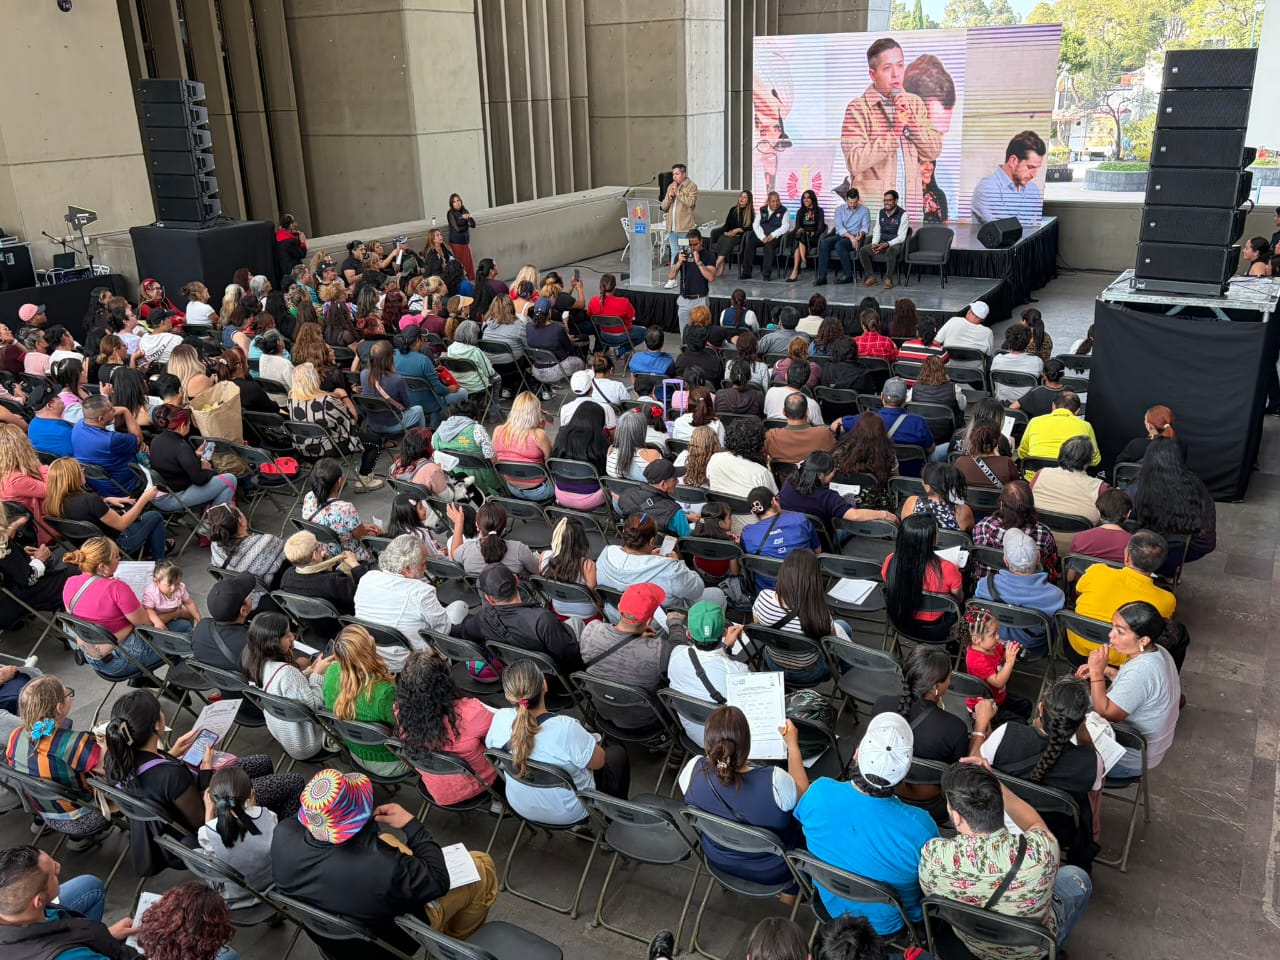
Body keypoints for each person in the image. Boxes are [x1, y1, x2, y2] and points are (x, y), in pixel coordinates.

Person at [271, 768, 497, 959]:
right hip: (389, 941)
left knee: (387, 841)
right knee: (482, 866)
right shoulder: (382, 866)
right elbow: (439, 880)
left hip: (332, 936)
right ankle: (452, 945)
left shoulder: (282, 833)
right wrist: (412, 825)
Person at [103, 690, 303, 877]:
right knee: (293, 782)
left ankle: (259, 830)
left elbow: (150, 780)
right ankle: (285, 848)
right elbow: (201, 818)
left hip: (173, 814)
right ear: (156, 725)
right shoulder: (170, 776)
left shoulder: (115, 762)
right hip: (205, 816)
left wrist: (172, 754)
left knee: (262, 763)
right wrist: (206, 768)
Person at [919, 760, 1093, 958]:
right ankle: (1055, 950)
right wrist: (995, 781)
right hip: (1031, 949)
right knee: (1078, 877)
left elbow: (933, 895)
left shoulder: (933, 856)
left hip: (971, 942)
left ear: (957, 817)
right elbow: (1034, 822)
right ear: (999, 804)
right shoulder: (1041, 851)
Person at [794, 713, 939, 936]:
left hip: (833, 909)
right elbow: (931, 885)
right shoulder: (921, 827)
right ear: (905, 774)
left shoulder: (818, 793)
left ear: (857, 754)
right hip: (890, 925)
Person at [974, 676, 1104, 869]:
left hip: (995, 822)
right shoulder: (1091, 763)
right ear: (1080, 722)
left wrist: (980, 726)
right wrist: (1080, 726)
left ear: (1041, 708)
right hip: (1049, 837)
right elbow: (1094, 781)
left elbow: (975, 764)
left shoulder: (1007, 733)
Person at [485, 658, 631, 822]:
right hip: (568, 812)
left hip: (521, 804)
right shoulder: (566, 728)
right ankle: (617, 821)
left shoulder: (500, 719)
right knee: (617, 754)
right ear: (544, 685)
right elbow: (598, 762)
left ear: (508, 695)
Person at [680, 705, 808, 889]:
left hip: (718, 858)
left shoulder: (692, 771)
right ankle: (791, 894)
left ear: (708, 744)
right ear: (748, 745)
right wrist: (793, 746)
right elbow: (804, 798)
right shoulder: (775, 782)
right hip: (775, 869)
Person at [4, 676, 115, 849]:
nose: (70, 695)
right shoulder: (75, 744)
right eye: (68, 693)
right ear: (59, 707)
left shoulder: (16, 736)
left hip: (47, 814)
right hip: (84, 818)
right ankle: (81, 838)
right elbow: (111, 769)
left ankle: (76, 840)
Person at [840, 37, 942, 221]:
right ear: (873, 74)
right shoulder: (857, 108)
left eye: (900, 65)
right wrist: (894, 132)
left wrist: (910, 122)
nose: (896, 74)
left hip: (910, 211)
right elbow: (854, 161)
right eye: (887, 68)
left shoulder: (914, 103)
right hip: (872, 213)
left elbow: (934, 149)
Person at [1075, 601, 1182, 778]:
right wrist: (1107, 671)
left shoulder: (1142, 671)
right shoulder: (1158, 651)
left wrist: (1096, 673)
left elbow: (1107, 712)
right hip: (1148, 751)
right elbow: (1137, 691)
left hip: (1127, 759)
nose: (1111, 636)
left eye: (1120, 632)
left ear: (1143, 640)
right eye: (1113, 627)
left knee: (1059, 726)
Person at [395, 651, 499, 804]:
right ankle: (498, 802)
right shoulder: (471, 713)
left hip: (437, 788)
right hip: (479, 784)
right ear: (445, 682)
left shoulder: (400, 710)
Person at [0, 846, 140, 957]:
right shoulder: (67, 956)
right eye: (53, 873)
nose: (58, 866)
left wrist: (107, 936)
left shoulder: (15, 910)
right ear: (39, 900)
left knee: (90, 886)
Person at [353, 535, 468, 665]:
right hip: (414, 661)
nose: (425, 568)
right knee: (460, 606)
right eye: (423, 564)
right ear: (407, 568)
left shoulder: (367, 579)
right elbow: (443, 629)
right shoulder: (421, 591)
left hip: (374, 656)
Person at [1070, 529, 1175, 666]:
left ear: (1126, 556)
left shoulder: (1097, 571)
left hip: (1078, 647)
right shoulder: (1167, 600)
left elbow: (1078, 591)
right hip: (1124, 660)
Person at [578, 583, 673, 732]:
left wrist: (635, 638)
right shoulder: (659, 651)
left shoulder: (591, 630)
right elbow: (680, 654)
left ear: (620, 608)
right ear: (649, 621)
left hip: (603, 710)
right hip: (645, 721)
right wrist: (675, 625)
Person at [240, 610, 334, 761]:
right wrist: (318, 674)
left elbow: (290, 691)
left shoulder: (254, 662)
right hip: (311, 743)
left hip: (286, 738)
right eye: (286, 635)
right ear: (272, 642)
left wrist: (311, 670)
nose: (293, 637)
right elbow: (316, 704)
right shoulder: (287, 673)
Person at [458, 563, 584, 675]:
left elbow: (466, 634)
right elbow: (571, 661)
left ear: (490, 599)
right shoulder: (542, 620)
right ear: (517, 580)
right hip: (556, 682)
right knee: (577, 623)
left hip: (521, 678)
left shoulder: (483, 619)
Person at [322, 624, 408, 776]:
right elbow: (402, 730)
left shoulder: (330, 672)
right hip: (389, 761)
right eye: (367, 637)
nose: (373, 638)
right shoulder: (384, 693)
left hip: (354, 752)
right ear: (365, 653)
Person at [751, 548, 848, 683]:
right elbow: (831, 646)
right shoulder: (820, 614)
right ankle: (849, 679)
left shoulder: (763, 598)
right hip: (809, 673)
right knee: (844, 627)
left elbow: (757, 626)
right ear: (814, 579)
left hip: (773, 664)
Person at [288, 362, 385, 492]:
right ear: (313, 379)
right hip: (328, 447)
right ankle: (365, 479)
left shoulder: (291, 397)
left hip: (304, 448)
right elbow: (352, 419)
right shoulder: (326, 401)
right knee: (375, 441)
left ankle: (331, 479)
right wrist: (344, 396)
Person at [873, 646, 971, 770]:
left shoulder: (881, 705)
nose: (949, 680)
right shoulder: (956, 729)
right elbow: (958, 771)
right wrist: (980, 731)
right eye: (949, 676)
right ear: (936, 687)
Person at [973, 528, 1065, 656]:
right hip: (1032, 647)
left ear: (1006, 561)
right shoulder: (1056, 596)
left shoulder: (984, 585)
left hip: (993, 640)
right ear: (1038, 558)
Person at [667, 602, 751, 743]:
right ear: (724, 633)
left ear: (688, 634)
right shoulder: (738, 671)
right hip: (727, 743)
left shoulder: (676, 654)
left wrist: (725, 647)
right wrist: (725, 648)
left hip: (694, 736)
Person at [197, 765, 276, 910]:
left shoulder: (207, 832)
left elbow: (213, 856)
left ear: (212, 799)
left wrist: (209, 811)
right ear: (252, 794)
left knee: (198, 853)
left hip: (234, 895)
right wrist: (252, 807)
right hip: (272, 885)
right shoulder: (269, 816)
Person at [1129, 437, 1216, 568]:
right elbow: (1207, 521)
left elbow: (1126, 518)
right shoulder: (1195, 483)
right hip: (1185, 549)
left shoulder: (1138, 487)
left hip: (1147, 551)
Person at [597, 513, 707, 608]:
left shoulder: (606, 554)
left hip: (616, 614)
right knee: (717, 594)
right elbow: (697, 590)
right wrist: (678, 564)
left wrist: (648, 556)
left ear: (625, 532)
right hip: (657, 623)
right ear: (651, 542)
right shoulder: (672, 570)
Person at [883, 514, 962, 643]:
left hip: (901, 622)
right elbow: (958, 599)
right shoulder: (948, 568)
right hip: (936, 629)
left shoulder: (891, 561)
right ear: (930, 540)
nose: (938, 533)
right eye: (936, 532)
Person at [833, 378, 934, 473]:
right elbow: (931, 449)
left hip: (878, 471)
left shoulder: (866, 420)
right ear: (906, 399)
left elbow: (834, 426)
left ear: (882, 396)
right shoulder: (918, 423)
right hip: (914, 474)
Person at [148, 404, 238, 510]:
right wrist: (207, 470)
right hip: (172, 497)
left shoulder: (156, 441)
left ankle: (212, 514)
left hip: (159, 493)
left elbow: (172, 461)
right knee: (230, 479)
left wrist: (193, 455)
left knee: (220, 482)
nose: (189, 427)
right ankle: (214, 521)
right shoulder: (181, 447)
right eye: (189, 424)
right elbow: (199, 479)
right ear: (182, 426)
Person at [971, 480, 1061, 584]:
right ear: (1031, 506)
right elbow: (1052, 562)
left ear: (1001, 504)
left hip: (988, 587)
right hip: (1028, 591)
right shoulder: (1044, 534)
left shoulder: (983, 526)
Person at [779, 450, 897, 528]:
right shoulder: (828, 497)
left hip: (789, 529)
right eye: (833, 470)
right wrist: (884, 514)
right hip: (822, 539)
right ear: (821, 475)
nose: (835, 471)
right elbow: (854, 515)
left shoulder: (790, 481)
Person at [301, 458, 383, 564]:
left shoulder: (309, 497)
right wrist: (373, 533)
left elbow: (327, 524)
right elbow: (363, 539)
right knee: (377, 532)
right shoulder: (345, 509)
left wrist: (363, 527)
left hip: (321, 552)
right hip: (346, 556)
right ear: (340, 481)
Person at [707, 420, 779, 527]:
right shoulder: (761, 473)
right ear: (758, 444)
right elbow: (774, 504)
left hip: (721, 526)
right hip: (753, 529)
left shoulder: (715, 459)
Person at [206, 503, 287, 598]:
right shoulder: (267, 542)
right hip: (265, 598)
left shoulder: (215, 545)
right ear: (241, 521)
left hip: (239, 597)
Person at [1031, 435, 1105, 537]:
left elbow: (1027, 501)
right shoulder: (1100, 487)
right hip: (1079, 547)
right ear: (1089, 460)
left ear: (1061, 453)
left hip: (1039, 539)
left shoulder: (1041, 473)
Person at [971, 130, 1047, 225]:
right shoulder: (987, 188)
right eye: (1030, 167)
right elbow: (1007, 231)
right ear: (1013, 161)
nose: (1034, 174)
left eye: (1036, 168)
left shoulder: (1033, 190)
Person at [832, 412, 898, 512]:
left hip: (841, 503)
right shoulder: (888, 454)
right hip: (875, 505)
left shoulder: (841, 450)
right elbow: (895, 478)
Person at [492, 392, 553, 500]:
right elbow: (550, 462)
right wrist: (542, 431)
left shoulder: (498, 430)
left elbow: (496, 459)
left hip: (512, 488)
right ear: (535, 412)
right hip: (540, 491)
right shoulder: (538, 434)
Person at [1017, 393, 1099, 471]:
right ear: (1077, 411)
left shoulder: (1034, 421)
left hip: (1034, 480)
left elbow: (1022, 452)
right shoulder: (1085, 426)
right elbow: (1095, 459)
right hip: (1069, 481)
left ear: (1053, 406)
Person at [816, 189, 871, 285]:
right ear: (846, 199)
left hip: (855, 237)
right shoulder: (839, 210)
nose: (853, 205)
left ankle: (848, 275)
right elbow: (839, 227)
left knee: (839, 245)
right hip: (842, 235)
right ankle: (822, 277)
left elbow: (865, 227)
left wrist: (860, 234)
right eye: (850, 202)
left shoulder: (865, 210)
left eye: (855, 202)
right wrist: (850, 237)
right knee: (825, 242)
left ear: (858, 199)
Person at [900, 462, 973, 533]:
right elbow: (970, 534)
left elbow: (905, 530)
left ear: (928, 487)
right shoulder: (962, 511)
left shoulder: (912, 502)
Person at [858, 190, 909, 289]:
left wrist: (887, 244)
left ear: (896, 201)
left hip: (895, 244)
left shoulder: (903, 214)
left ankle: (888, 278)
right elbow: (877, 230)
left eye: (889, 200)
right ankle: (871, 277)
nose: (886, 203)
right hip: (881, 242)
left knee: (891, 251)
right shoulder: (880, 212)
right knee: (863, 250)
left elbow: (902, 237)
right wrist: (874, 243)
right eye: (885, 200)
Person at [1071, 488, 1133, 564]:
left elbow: (1071, 572)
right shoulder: (1134, 545)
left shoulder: (1080, 538)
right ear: (1128, 514)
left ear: (1098, 512)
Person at [953, 421, 1017, 490]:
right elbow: (1017, 486)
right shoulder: (1006, 463)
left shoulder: (961, 462)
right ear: (997, 440)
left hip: (969, 500)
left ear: (972, 439)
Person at [741, 191, 791, 282]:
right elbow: (756, 224)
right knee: (750, 242)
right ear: (768, 202)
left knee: (769, 246)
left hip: (775, 237)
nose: (776, 203)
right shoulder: (762, 210)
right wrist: (762, 237)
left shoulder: (784, 211)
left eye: (777, 201)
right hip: (762, 235)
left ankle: (766, 274)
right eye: (773, 201)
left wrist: (772, 235)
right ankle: (746, 272)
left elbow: (785, 226)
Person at [1115, 404, 1186, 466]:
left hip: (1141, 481)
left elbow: (1119, 463)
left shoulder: (1137, 444)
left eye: (1145, 419)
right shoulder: (1181, 445)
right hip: (1172, 481)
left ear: (1150, 426)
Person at [141, 559, 200, 634]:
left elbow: (189, 603)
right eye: (169, 585)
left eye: (177, 583)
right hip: (160, 615)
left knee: (189, 612)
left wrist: (199, 619)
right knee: (152, 621)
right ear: (156, 581)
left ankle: (191, 629)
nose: (173, 588)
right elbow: (148, 609)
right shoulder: (151, 592)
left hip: (176, 610)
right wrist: (157, 622)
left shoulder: (180, 588)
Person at [662, 162, 700, 277]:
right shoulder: (671, 186)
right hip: (672, 228)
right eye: (673, 174)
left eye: (677, 174)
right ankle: (673, 277)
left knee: (686, 253)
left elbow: (690, 202)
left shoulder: (691, 186)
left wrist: (678, 191)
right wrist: (669, 197)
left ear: (684, 174)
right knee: (674, 253)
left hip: (685, 228)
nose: (674, 177)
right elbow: (664, 207)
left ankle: (687, 276)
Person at [589, 274, 644, 352]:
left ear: (601, 287)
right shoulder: (623, 302)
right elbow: (632, 316)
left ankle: (620, 351)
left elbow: (590, 315)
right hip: (622, 335)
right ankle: (622, 350)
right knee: (644, 332)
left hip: (604, 335)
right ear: (615, 287)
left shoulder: (593, 301)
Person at [989, 325, 1043, 402]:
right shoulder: (1036, 362)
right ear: (1028, 342)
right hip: (1026, 403)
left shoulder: (997, 359)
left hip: (1001, 401)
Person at [711, 192, 755, 277]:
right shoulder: (733, 209)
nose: (741, 199)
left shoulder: (750, 212)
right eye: (740, 196)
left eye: (745, 197)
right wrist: (725, 232)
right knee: (721, 238)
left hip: (740, 237)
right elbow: (727, 225)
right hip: (729, 234)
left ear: (749, 200)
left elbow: (750, 228)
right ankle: (721, 268)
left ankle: (716, 265)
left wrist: (737, 230)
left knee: (729, 240)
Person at [787, 189, 826, 282]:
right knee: (800, 233)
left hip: (814, 238)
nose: (806, 200)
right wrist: (803, 231)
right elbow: (797, 227)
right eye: (804, 198)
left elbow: (821, 228)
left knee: (799, 238)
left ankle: (796, 270)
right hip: (802, 236)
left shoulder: (819, 211)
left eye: (808, 198)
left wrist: (812, 233)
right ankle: (803, 261)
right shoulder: (800, 211)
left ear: (813, 199)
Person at [919, 158, 948, 223]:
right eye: (922, 163)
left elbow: (945, 226)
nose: (929, 168)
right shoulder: (908, 197)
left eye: (931, 162)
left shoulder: (939, 194)